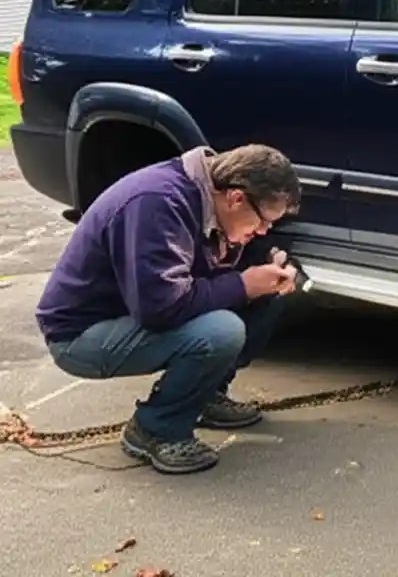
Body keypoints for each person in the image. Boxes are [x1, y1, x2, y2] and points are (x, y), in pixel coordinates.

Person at [35, 144, 303, 474]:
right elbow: (160, 308)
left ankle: (203, 396)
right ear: (235, 198)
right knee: (221, 331)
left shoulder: (210, 198)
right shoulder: (157, 203)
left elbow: (210, 271)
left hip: (137, 312)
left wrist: (271, 268)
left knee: (268, 293)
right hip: (81, 335)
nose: (263, 231)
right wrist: (245, 284)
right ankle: (155, 429)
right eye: (263, 222)